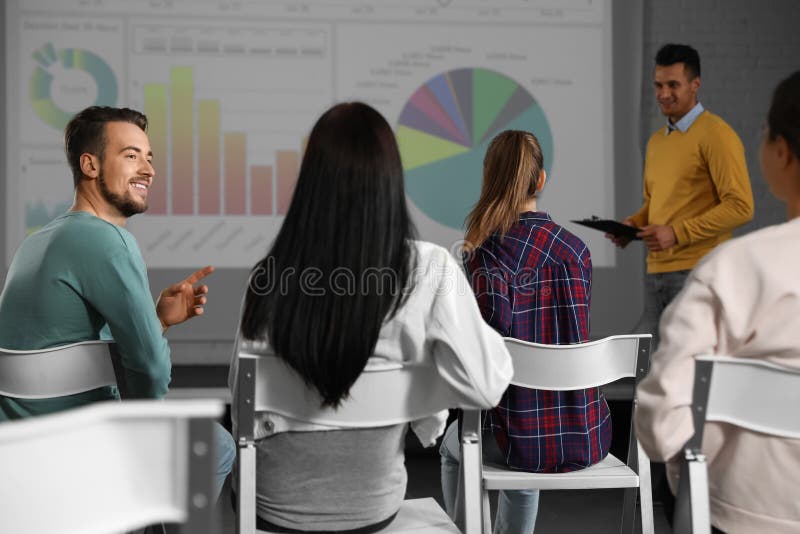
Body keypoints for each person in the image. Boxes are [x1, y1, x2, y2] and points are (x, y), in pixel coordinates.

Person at [228, 101, 512, 533]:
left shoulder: (267, 277)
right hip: (372, 512)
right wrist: (425, 384)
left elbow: (241, 403)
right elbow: (486, 385)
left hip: (269, 510)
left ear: (310, 184)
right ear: (390, 182)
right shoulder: (430, 269)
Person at [0, 106, 235, 500]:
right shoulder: (109, 241)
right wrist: (145, 417)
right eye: (131, 156)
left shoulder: (35, 242)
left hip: (17, 442)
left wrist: (156, 321)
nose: (148, 170)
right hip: (78, 441)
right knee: (217, 446)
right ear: (90, 165)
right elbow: (150, 372)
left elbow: (65, 346)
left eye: (149, 157)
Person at [635, 71, 800, 534]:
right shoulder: (659, 141)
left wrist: (692, 470)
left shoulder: (733, 270)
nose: (664, 94)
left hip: (740, 514)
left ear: (781, 151)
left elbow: (660, 425)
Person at [439, 130, 610, 534]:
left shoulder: (486, 253)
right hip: (585, 433)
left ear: (490, 179)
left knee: (454, 445)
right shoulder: (577, 251)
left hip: (517, 438)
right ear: (541, 180)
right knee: (525, 431)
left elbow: (488, 345)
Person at [608, 43, 754, 349]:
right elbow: (656, 203)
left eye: (673, 85)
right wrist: (632, 226)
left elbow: (741, 206)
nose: (663, 94)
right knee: (657, 367)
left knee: (692, 365)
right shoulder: (657, 142)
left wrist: (677, 233)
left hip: (697, 271)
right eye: (658, 85)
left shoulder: (717, 134)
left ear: (695, 84)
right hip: (656, 273)